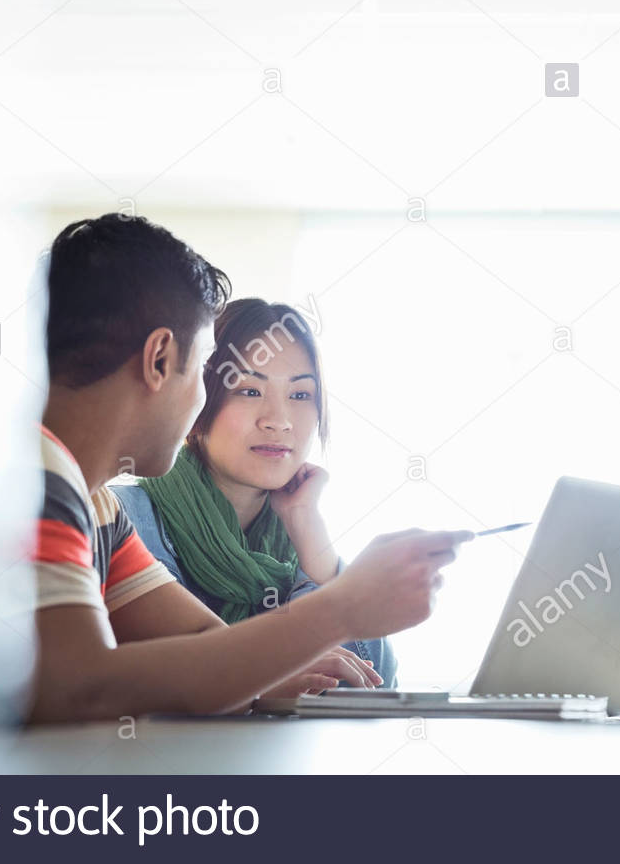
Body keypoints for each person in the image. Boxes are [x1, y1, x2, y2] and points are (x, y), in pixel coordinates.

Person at [30, 213, 469, 722]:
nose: (278, 420)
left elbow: (206, 645)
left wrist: (272, 676)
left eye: (301, 394)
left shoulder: (97, 504)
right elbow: (79, 687)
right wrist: (341, 607)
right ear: (159, 360)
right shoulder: (34, 475)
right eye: (203, 369)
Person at [114, 298, 399, 687]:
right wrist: (263, 676)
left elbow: (375, 686)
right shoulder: (121, 518)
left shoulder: (301, 543)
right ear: (197, 401)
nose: (279, 421)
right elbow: (125, 685)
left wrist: (311, 539)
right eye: (249, 391)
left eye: (300, 395)